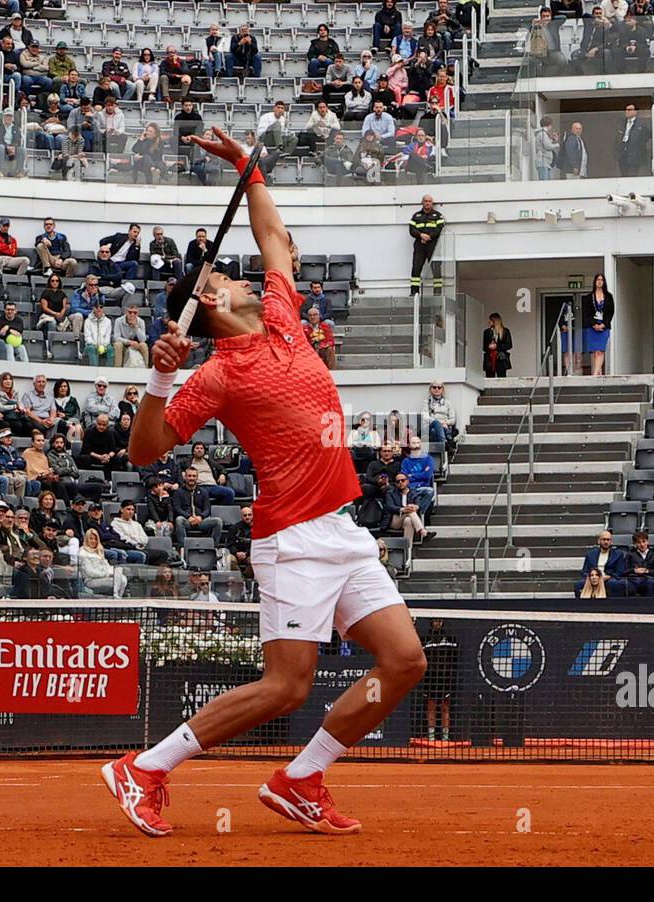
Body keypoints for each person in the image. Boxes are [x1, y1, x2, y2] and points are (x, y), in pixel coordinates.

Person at [113, 127, 424, 838]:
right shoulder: (217, 374)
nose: (241, 276)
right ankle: (147, 768)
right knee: (287, 685)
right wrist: (162, 376)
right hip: (290, 538)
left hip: (341, 527)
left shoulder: (282, 315)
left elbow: (275, 234)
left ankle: (303, 777)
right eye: (224, 278)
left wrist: (249, 169)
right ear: (211, 304)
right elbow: (143, 451)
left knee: (404, 659)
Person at [408, 194, 445, 296]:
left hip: (433, 246)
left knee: (436, 269)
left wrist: (428, 237)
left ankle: (437, 293)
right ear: (422, 202)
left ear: (432, 203)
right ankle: (414, 292)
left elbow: (439, 229)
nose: (427, 203)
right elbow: (411, 230)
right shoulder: (416, 216)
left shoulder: (438, 216)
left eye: (429, 201)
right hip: (420, 246)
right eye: (425, 201)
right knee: (416, 268)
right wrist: (421, 235)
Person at [576, 530, 630, 597]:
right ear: (599, 541)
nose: (606, 542)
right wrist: (593, 577)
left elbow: (620, 572)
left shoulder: (618, 554)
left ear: (611, 542)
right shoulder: (590, 554)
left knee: (617, 583)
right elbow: (584, 571)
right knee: (579, 584)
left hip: (609, 578)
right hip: (593, 578)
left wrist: (608, 577)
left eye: (608, 540)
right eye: (604, 539)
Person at [582, 273, 614, 376]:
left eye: (601, 280)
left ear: (604, 282)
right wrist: (594, 325)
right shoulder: (588, 297)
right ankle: (599, 372)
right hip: (592, 327)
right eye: (598, 280)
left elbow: (611, 312)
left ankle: (595, 374)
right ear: (595, 282)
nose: (599, 282)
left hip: (604, 326)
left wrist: (604, 324)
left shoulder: (609, 296)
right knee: (595, 352)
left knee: (600, 350)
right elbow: (586, 313)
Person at [482, 312, 511, 377]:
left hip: (501, 357)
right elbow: (484, 347)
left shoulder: (505, 331)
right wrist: (489, 346)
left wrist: (497, 346)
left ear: (495, 320)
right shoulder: (486, 332)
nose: (488, 321)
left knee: (501, 377)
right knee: (489, 377)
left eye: (490, 320)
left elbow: (509, 345)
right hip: (489, 358)